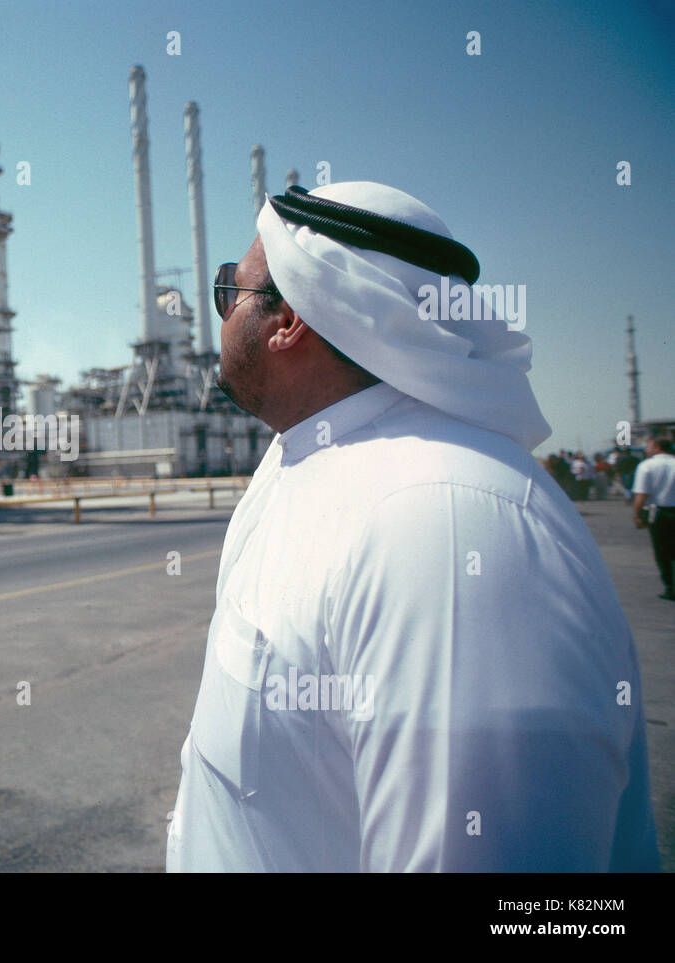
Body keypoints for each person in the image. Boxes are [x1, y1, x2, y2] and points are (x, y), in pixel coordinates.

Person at [166, 181, 658, 872]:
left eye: (230, 290)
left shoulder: (449, 527)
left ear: (288, 320)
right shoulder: (300, 455)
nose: (220, 313)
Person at [632, 435, 675, 601]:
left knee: (662, 551)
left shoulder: (647, 466)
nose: (645, 449)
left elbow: (641, 495)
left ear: (657, 447)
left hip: (658, 513)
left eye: (648, 446)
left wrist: (637, 515)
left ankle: (670, 587)